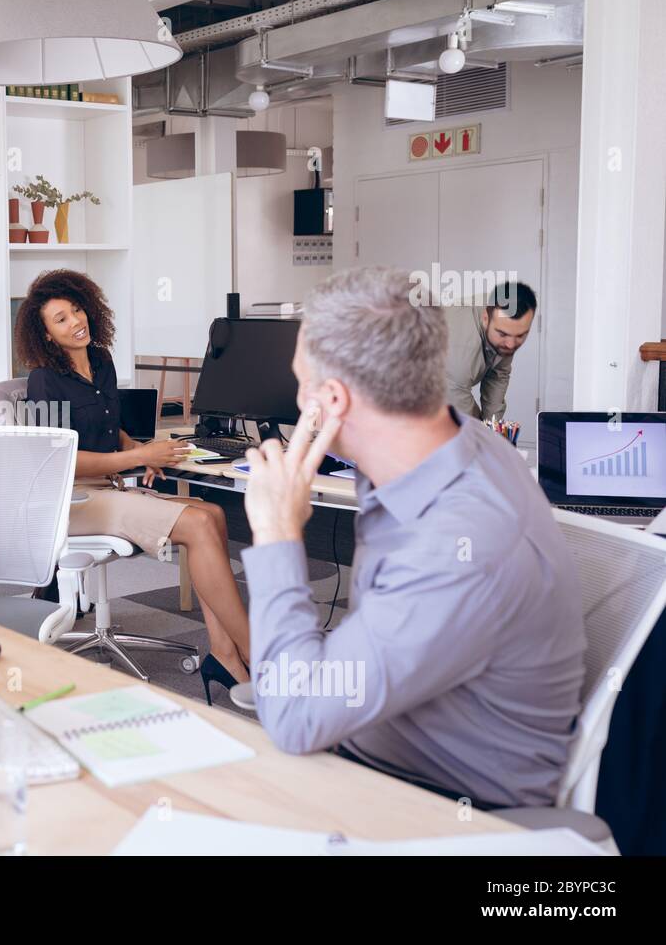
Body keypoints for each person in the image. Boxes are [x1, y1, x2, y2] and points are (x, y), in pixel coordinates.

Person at [240, 266, 583, 809]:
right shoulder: (462, 442)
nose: (296, 395)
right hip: (372, 739)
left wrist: (277, 533)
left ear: (331, 400)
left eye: (302, 380)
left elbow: (293, 713)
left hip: (438, 803)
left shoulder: (457, 547)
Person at [16, 269, 251, 694]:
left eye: (76, 310)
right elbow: (60, 462)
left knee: (213, 515)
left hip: (108, 487)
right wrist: (138, 456)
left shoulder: (101, 360)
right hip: (69, 499)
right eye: (61, 319)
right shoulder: (43, 380)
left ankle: (224, 654)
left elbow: (109, 424)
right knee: (196, 525)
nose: (75, 322)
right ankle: (258, 656)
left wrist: (136, 451)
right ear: (46, 335)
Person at [444, 280, 536, 420]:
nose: (511, 345)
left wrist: (494, 427)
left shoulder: (502, 321)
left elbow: (497, 376)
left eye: (520, 335)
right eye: (503, 334)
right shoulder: (462, 345)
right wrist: (486, 434)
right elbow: (458, 403)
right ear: (485, 319)